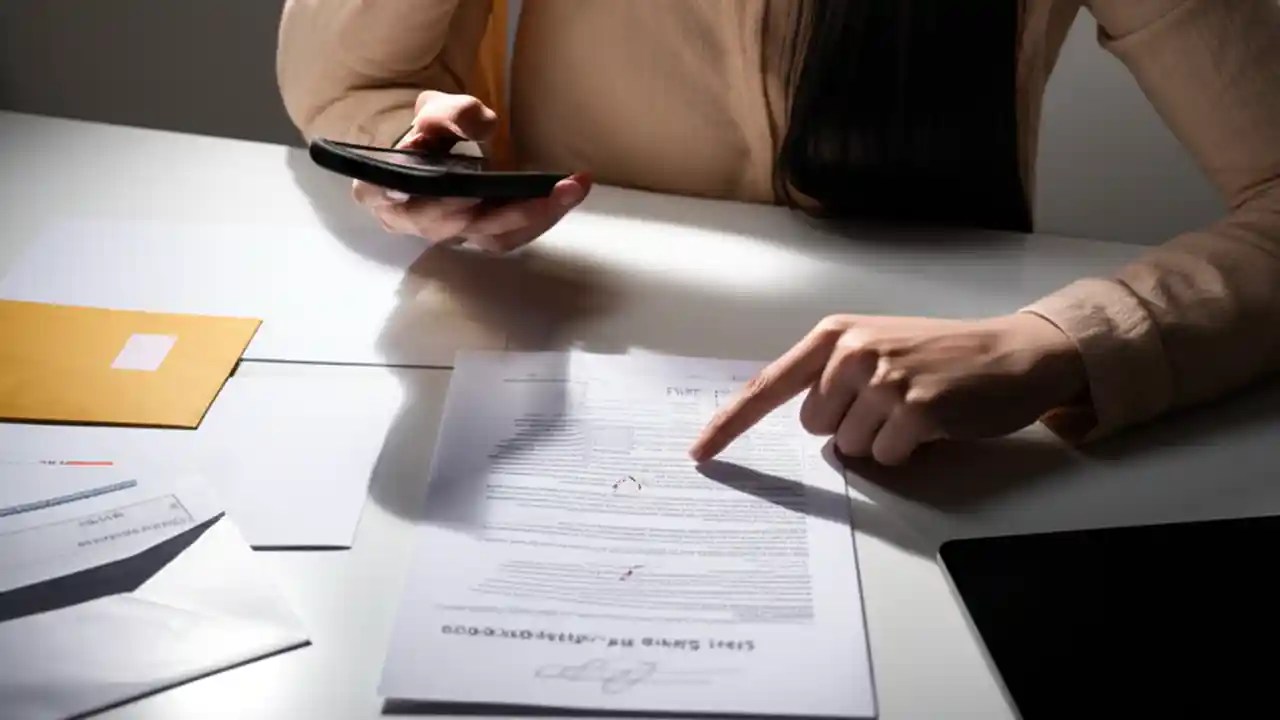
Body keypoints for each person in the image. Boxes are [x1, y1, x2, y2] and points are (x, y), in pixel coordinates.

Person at [277, 1, 1280, 466]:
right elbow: (346, 89)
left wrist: (1064, 342)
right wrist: (416, 166)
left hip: (924, 419)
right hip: (541, 366)